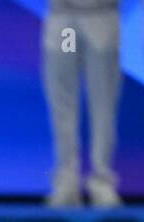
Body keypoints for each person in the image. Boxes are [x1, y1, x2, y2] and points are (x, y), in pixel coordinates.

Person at [43, 0, 124, 208]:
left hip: (101, 16)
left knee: (104, 103)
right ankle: (67, 180)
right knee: (63, 102)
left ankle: (102, 180)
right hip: (64, 18)